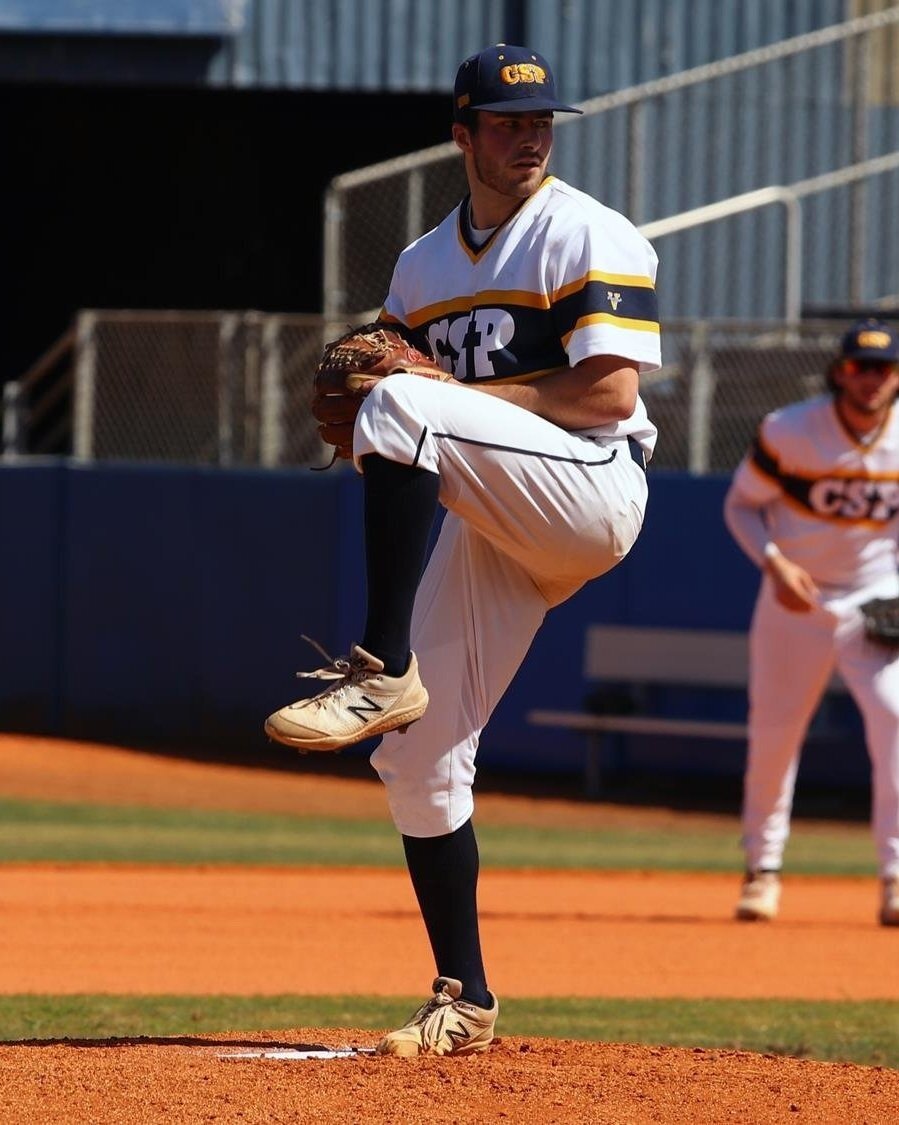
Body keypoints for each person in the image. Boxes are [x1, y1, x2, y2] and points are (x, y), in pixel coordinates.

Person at [266, 43, 662, 1054]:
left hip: (589, 491)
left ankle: (377, 665)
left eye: (538, 121)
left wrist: (418, 406)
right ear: (461, 134)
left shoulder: (586, 232)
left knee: (406, 402)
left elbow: (608, 395)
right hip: (497, 516)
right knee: (416, 760)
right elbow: (383, 406)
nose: (525, 135)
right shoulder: (421, 264)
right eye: (502, 121)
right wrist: (383, 418)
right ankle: (464, 996)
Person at [724, 318, 899, 927]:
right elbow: (741, 506)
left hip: (875, 602)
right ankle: (762, 871)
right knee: (775, 735)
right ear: (839, 371)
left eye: (883, 368)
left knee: (896, 721)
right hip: (793, 599)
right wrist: (774, 565)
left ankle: (896, 878)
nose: (871, 379)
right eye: (859, 366)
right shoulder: (791, 430)